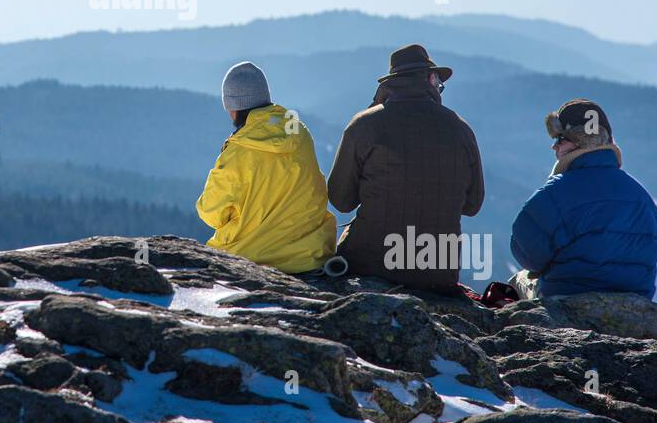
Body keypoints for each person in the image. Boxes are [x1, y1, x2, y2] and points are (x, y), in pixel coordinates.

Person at [326, 44, 485, 291]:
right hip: (437, 272)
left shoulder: (364, 124)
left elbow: (340, 200)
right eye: (440, 84)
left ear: (390, 83)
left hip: (370, 266)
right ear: (431, 78)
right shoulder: (460, 129)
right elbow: (472, 205)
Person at [509, 99, 657, 300]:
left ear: (578, 142)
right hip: (635, 301)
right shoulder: (642, 197)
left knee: (518, 281)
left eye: (560, 139)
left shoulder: (555, 193)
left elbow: (527, 255)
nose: (554, 147)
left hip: (567, 298)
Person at [196, 61, 336, 273]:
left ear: (232, 107)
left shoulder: (237, 151)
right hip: (309, 256)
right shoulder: (299, 133)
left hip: (249, 259)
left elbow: (211, 213)